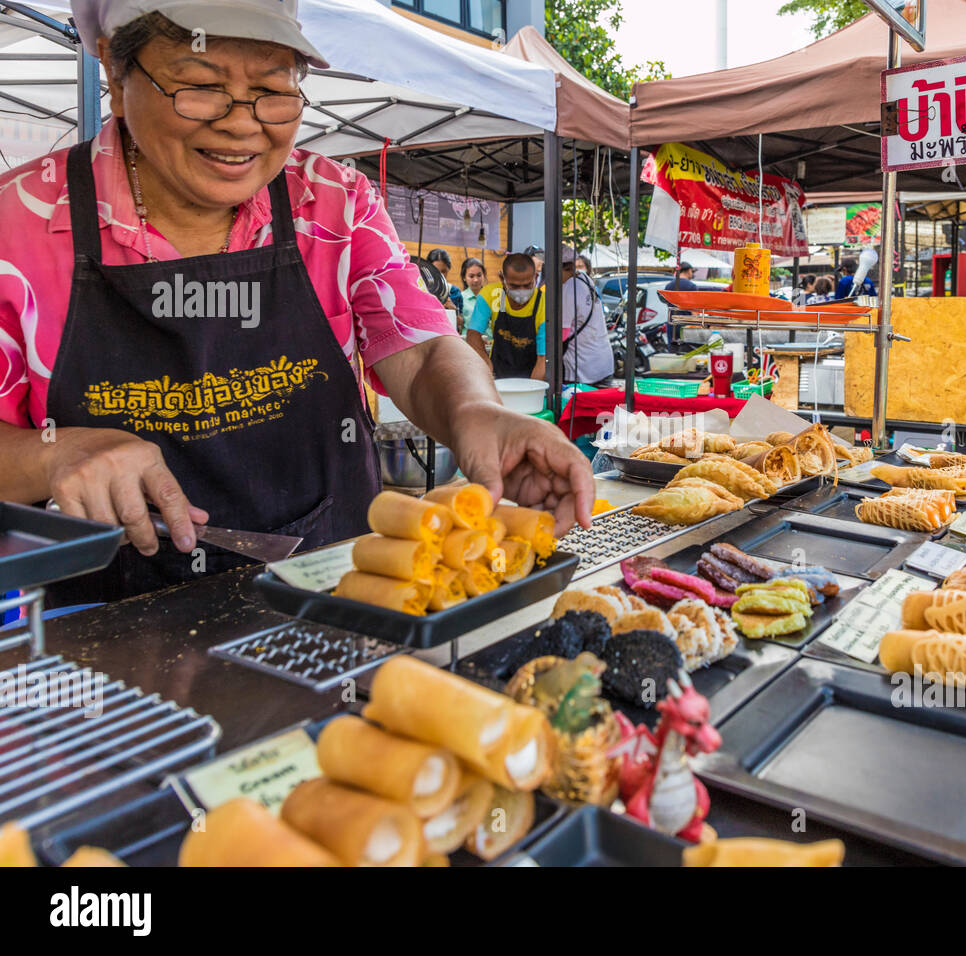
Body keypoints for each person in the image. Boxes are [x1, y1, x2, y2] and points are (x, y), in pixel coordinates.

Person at [0, 0, 592, 606]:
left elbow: (419, 347)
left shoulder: (336, 202)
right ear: (115, 75)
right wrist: (52, 453)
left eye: (272, 89)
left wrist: (476, 411)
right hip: (107, 635)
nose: (240, 123)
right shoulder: (15, 224)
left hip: (335, 600)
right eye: (201, 87)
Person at [466, 253, 547, 380]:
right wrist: (486, 365)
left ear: (536, 277)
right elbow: (473, 334)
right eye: (514, 286)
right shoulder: (492, 295)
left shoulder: (544, 304)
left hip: (532, 375)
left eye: (527, 285)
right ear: (502, 278)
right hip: (498, 373)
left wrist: (532, 390)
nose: (522, 291)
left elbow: (543, 360)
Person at [559, 246, 614, 385]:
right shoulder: (584, 278)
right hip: (602, 363)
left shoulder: (569, 287)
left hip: (583, 369)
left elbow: (562, 334)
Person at [427, 248, 463, 327]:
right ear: (428, 269)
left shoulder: (454, 292)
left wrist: (454, 312)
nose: (440, 275)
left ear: (448, 269)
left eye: (443, 271)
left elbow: (460, 324)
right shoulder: (421, 290)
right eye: (435, 270)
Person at [460, 256, 487, 337]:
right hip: (467, 344)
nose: (476, 280)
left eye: (479, 275)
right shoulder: (460, 298)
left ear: (484, 275)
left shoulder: (491, 296)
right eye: (471, 276)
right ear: (464, 278)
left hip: (489, 344)